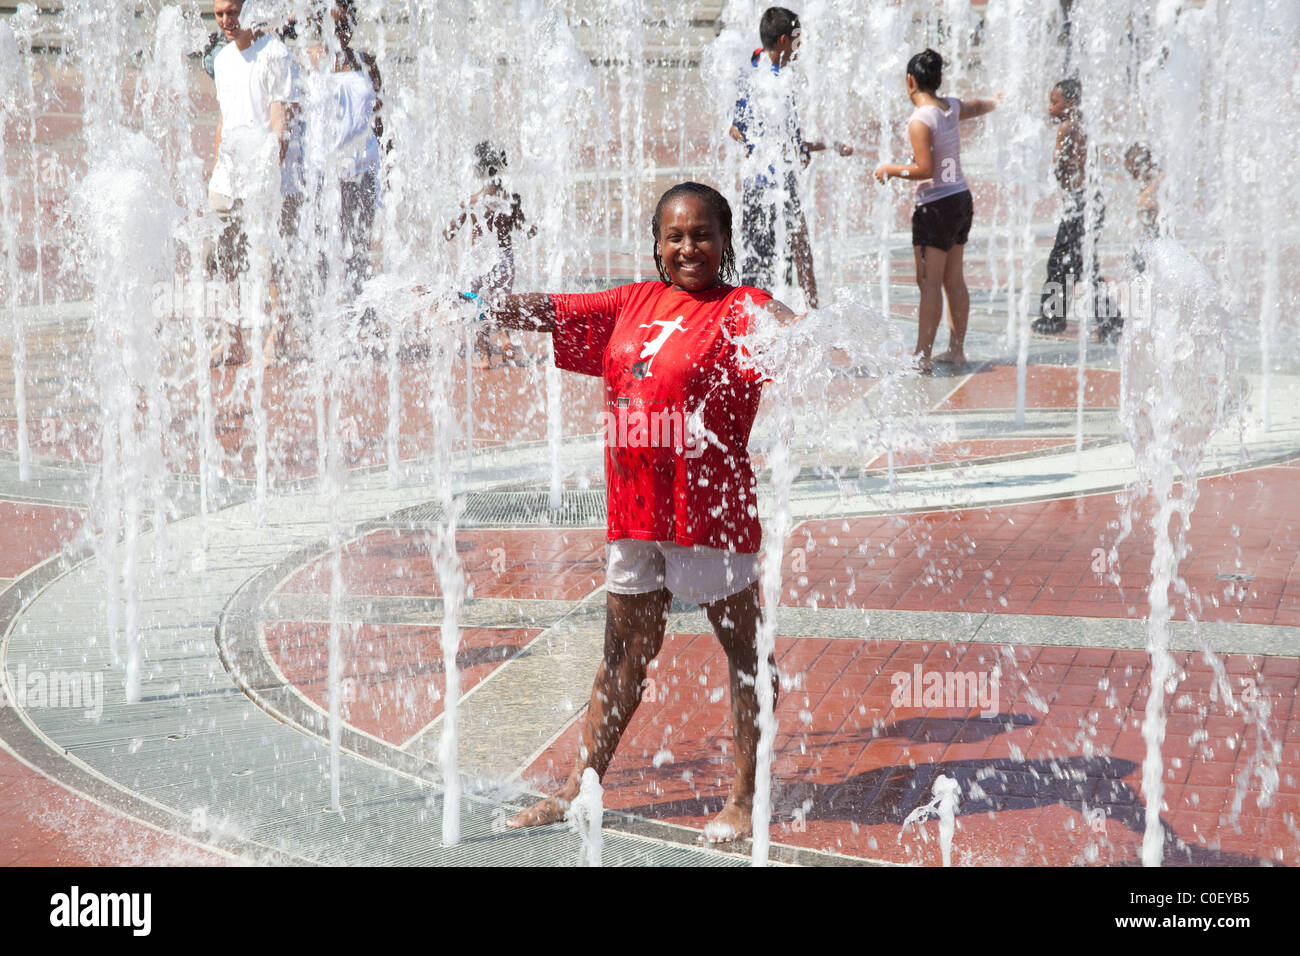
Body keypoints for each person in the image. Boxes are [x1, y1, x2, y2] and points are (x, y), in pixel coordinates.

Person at [463, 182, 795, 843]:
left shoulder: (741, 308)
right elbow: (551, 312)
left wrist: (804, 333)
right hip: (636, 509)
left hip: (709, 513)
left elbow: (792, 333)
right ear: (658, 244)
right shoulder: (632, 301)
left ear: (725, 240)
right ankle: (576, 789)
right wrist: (474, 305)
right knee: (622, 654)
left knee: (745, 653)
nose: (688, 247)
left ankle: (743, 797)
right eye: (674, 236)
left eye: (702, 234)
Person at [873, 49, 996, 371]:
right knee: (953, 280)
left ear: (910, 81)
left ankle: (922, 357)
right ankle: (956, 350)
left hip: (935, 207)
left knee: (929, 283)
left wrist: (890, 169)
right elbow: (977, 106)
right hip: (960, 200)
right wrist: (998, 100)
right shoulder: (950, 107)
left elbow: (925, 168)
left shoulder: (920, 120)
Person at [729, 6, 852, 309]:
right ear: (783, 40)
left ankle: (797, 311)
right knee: (779, 251)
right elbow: (738, 128)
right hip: (766, 183)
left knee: (784, 249)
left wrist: (825, 145)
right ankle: (798, 311)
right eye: (798, 39)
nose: (801, 46)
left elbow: (755, 132)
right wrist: (767, 146)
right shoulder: (767, 79)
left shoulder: (766, 75)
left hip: (773, 181)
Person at [205, 0, 303, 366]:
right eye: (219, 14)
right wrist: (216, 168)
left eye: (232, 12)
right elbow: (223, 118)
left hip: (267, 179)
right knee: (220, 259)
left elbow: (282, 123)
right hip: (229, 179)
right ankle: (233, 339)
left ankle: (278, 335)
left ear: (248, 9)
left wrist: (269, 177)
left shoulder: (274, 54)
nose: (227, 21)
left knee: (274, 262)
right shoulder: (223, 59)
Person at [295, 0, 383, 355]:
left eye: (345, 24)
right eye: (333, 25)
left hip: (361, 170)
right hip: (323, 172)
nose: (340, 32)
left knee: (358, 249)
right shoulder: (310, 60)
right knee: (318, 249)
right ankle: (315, 321)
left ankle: (362, 321)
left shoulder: (367, 62)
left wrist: (387, 161)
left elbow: (381, 115)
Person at [1031, 78, 1114, 336]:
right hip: (1090, 202)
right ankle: (1101, 318)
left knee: (1067, 263)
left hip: (1082, 204)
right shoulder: (1082, 125)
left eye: (1055, 102)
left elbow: (1060, 166)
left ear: (1072, 103)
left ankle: (1058, 319)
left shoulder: (1066, 128)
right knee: (1076, 263)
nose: (1050, 108)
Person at [443, 141, 534, 368]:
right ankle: (504, 340)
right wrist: (535, 229)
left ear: (477, 170)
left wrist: (444, 229)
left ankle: (484, 357)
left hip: (478, 260)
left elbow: (450, 233)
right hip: (503, 259)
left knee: (477, 309)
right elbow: (526, 229)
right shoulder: (512, 200)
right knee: (501, 304)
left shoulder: (471, 202)